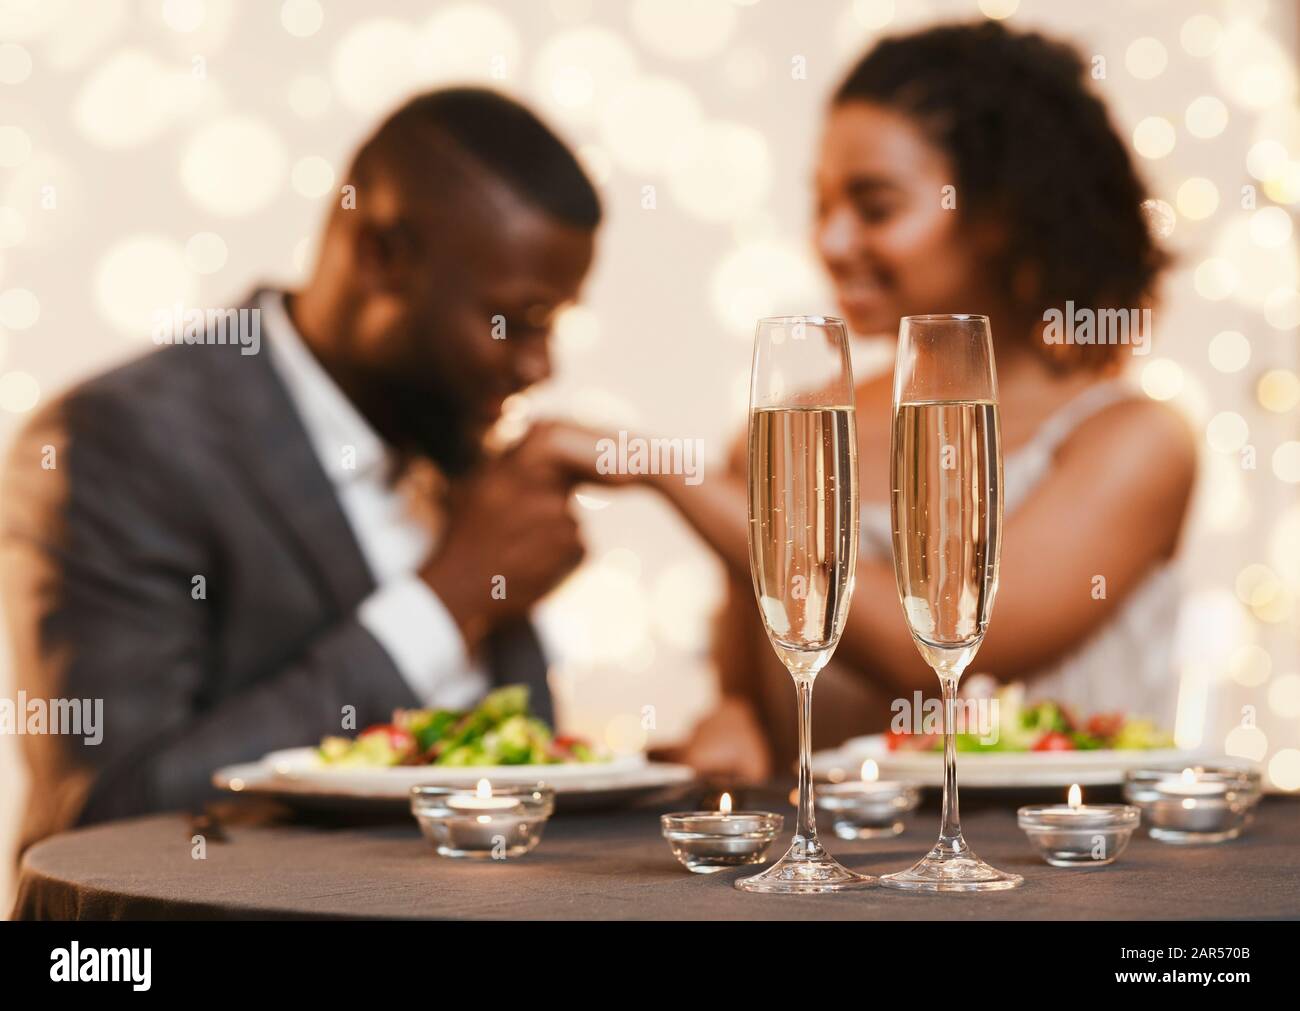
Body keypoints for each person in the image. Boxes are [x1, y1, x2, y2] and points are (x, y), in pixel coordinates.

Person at [558, 22, 1196, 780]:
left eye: (876, 206)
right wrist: (730, 723)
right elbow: (751, 693)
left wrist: (664, 470)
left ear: (999, 215)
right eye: (822, 204)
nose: (830, 240)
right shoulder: (798, 426)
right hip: (843, 893)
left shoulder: (1133, 440)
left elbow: (929, 652)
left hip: (1064, 885)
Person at [1, 88, 599, 849]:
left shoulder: (453, 436)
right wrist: (448, 600)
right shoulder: (117, 440)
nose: (540, 365)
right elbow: (109, 815)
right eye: (514, 320)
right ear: (382, 259)